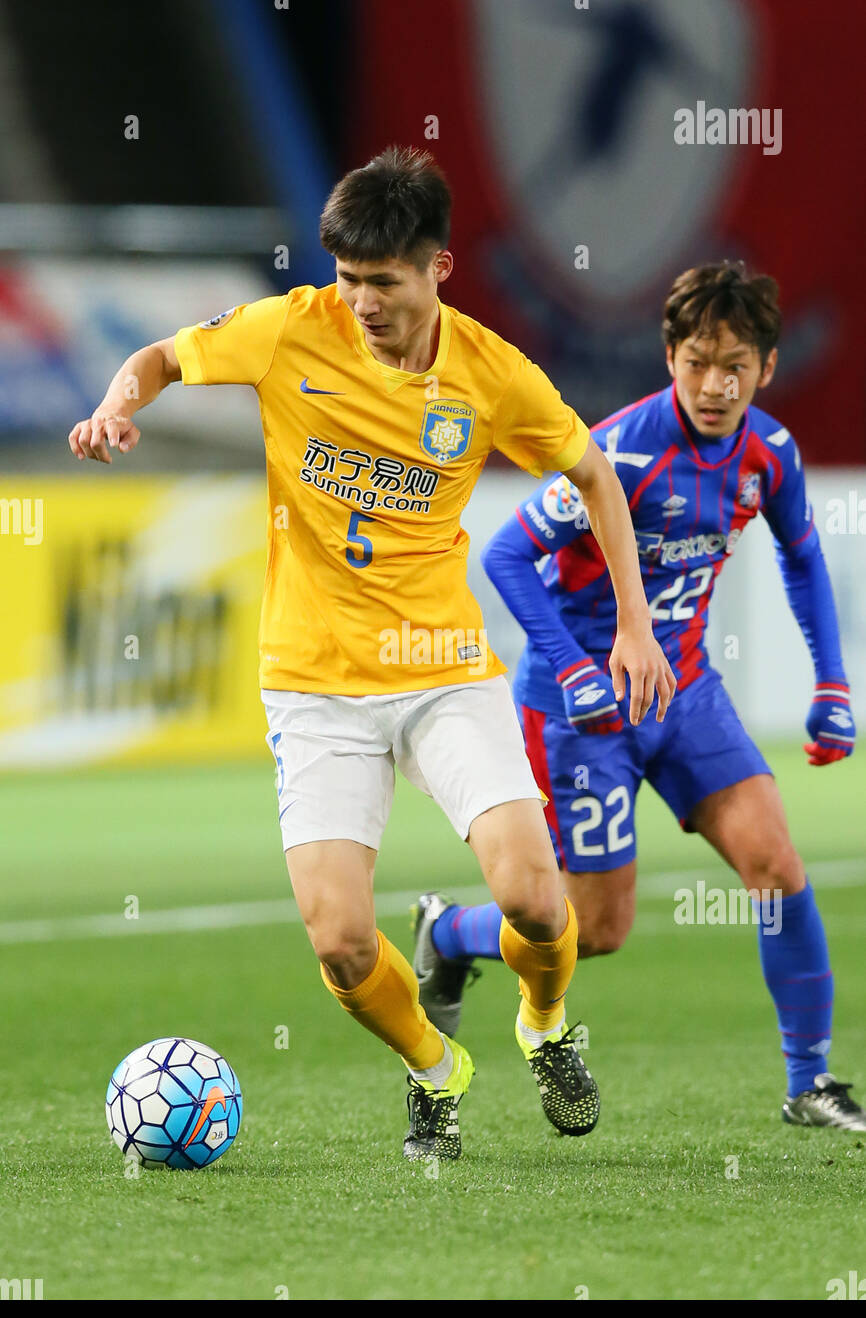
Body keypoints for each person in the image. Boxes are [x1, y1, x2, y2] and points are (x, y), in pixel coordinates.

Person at [68, 147, 673, 1160]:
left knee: (532, 895)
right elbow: (164, 357)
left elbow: (593, 475)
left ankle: (543, 1023)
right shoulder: (288, 329)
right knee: (342, 943)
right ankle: (435, 1068)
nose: (359, 303)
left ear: (437, 268)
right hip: (312, 680)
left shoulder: (489, 373)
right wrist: (116, 404)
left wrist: (632, 620)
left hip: (442, 669)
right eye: (346, 279)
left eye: (381, 283)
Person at [413, 261, 865, 1132]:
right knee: (598, 927)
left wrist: (834, 681)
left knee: (776, 866)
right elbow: (506, 554)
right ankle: (452, 933)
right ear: (669, 356)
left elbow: (804, 558)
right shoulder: (617, 453)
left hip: (687, 693)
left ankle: (808, 1082)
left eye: (735, 364)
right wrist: (574, 667)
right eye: (697, 361)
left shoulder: (769, 454)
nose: (714, 383)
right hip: (581, 712)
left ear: (768, 367)